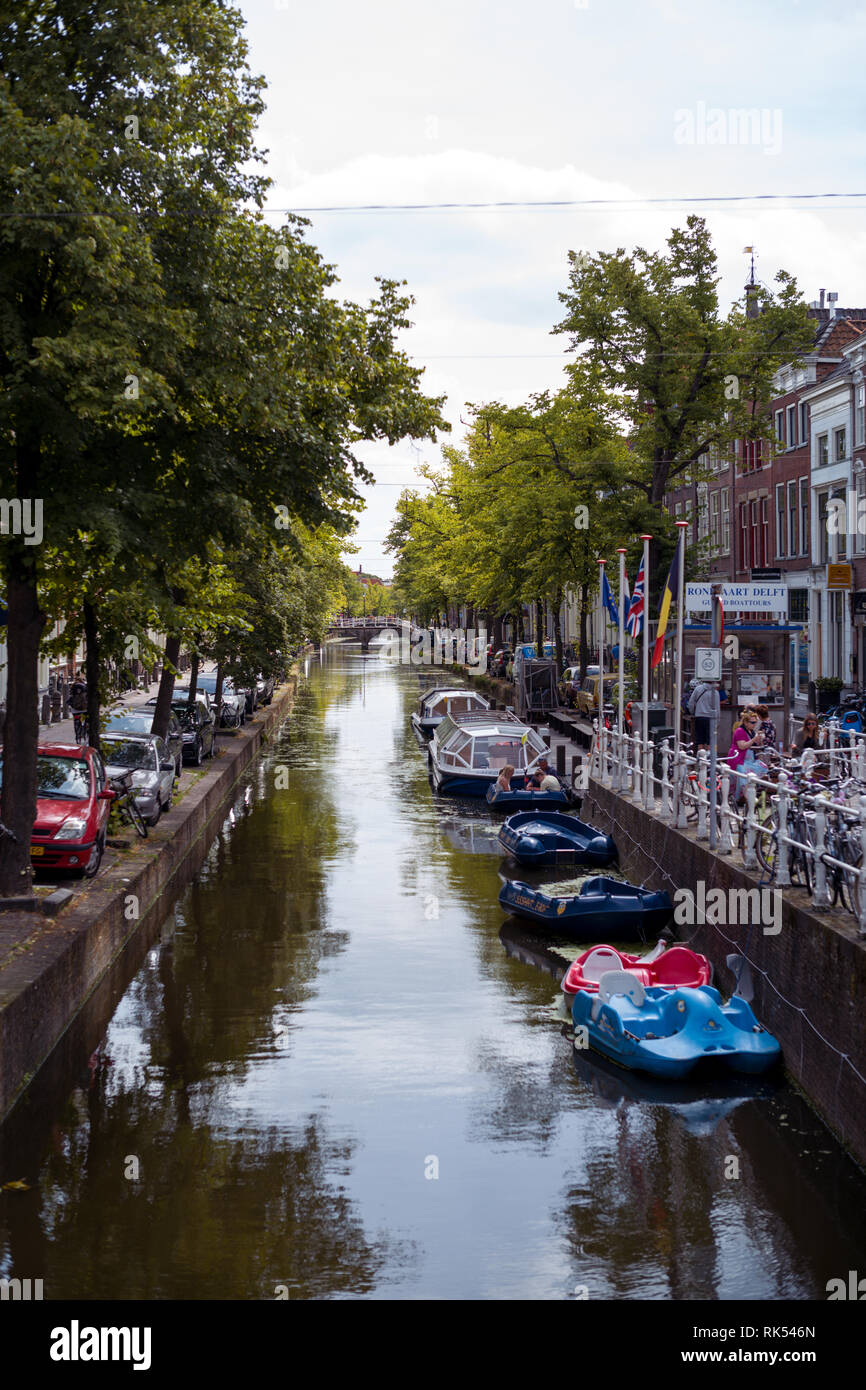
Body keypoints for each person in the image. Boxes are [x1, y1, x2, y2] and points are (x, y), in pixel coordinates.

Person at [687, 679, 720, 752]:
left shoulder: (698, 689)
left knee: (700, 740)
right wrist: (717, 722)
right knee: (710, 741)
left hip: (699, 717)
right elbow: (717, 708)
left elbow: (691, 703)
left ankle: (700, 759)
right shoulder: (715, 692)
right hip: (711, 719)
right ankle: (708, 760)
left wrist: (692, 712)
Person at [68, 669, 88, 742]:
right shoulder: (85, 686)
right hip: (84, 709)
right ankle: (85, 731)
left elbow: (70, 698)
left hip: (75, 709)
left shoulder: (73, 687)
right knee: (86, 719)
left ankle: (77, 736)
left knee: (76, 721)